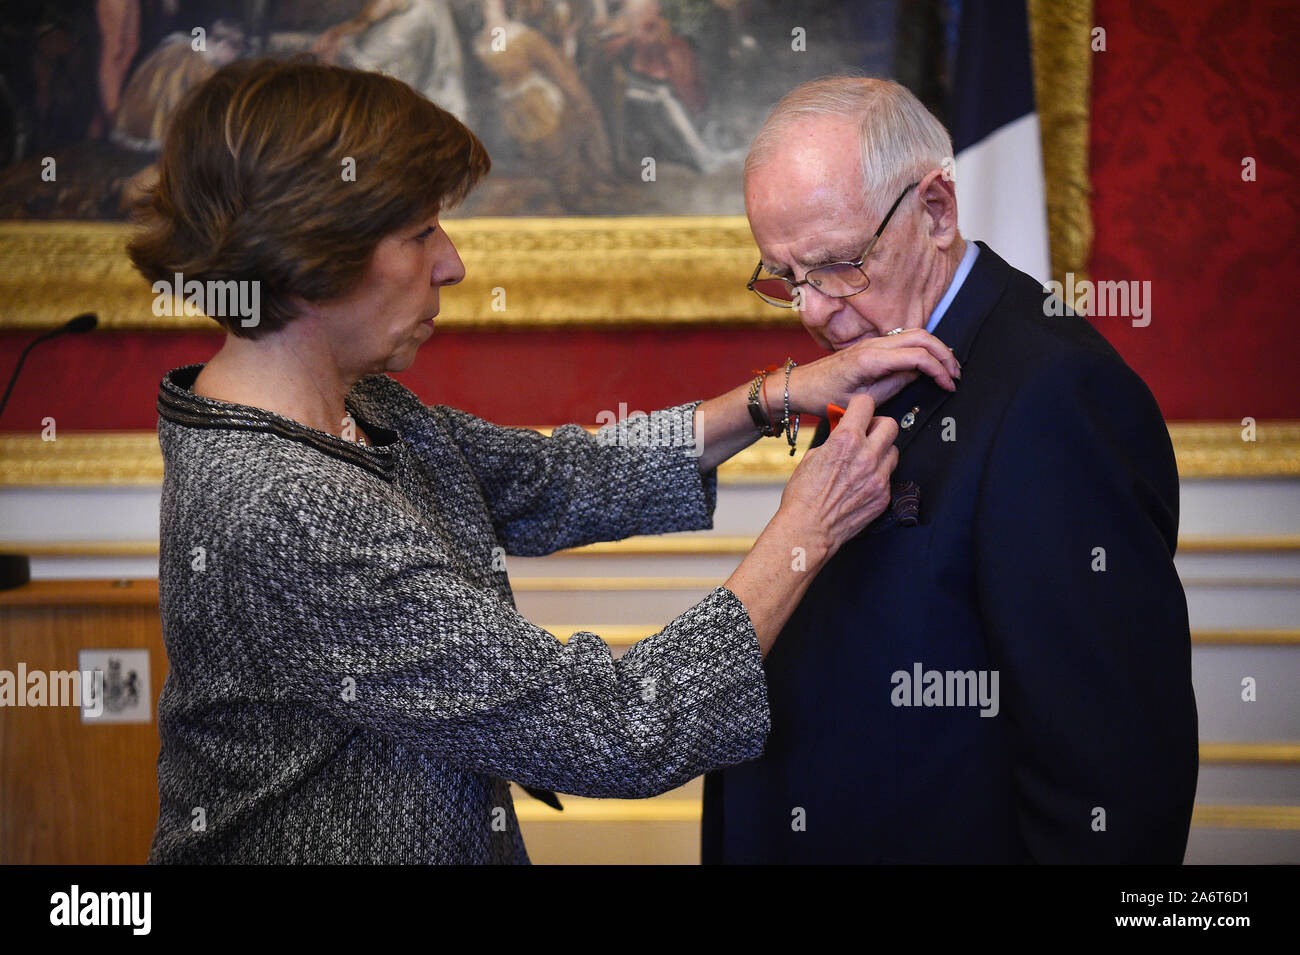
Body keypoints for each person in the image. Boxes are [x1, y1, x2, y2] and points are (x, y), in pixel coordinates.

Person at [128, 58, 960, 864]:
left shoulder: (356, 408)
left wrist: (773, 395)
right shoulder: (286, 506)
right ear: (310, 256)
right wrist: (806, 528)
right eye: (420, 233)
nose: (452, 262)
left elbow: (561, 479)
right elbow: (619, 727)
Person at [702, 76, 1199, 864]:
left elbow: (1112, 774)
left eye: (836, 265)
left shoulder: (1056, 394)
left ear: (935, 209)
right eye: (784, 276)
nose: (810, 311)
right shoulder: (876, 350)